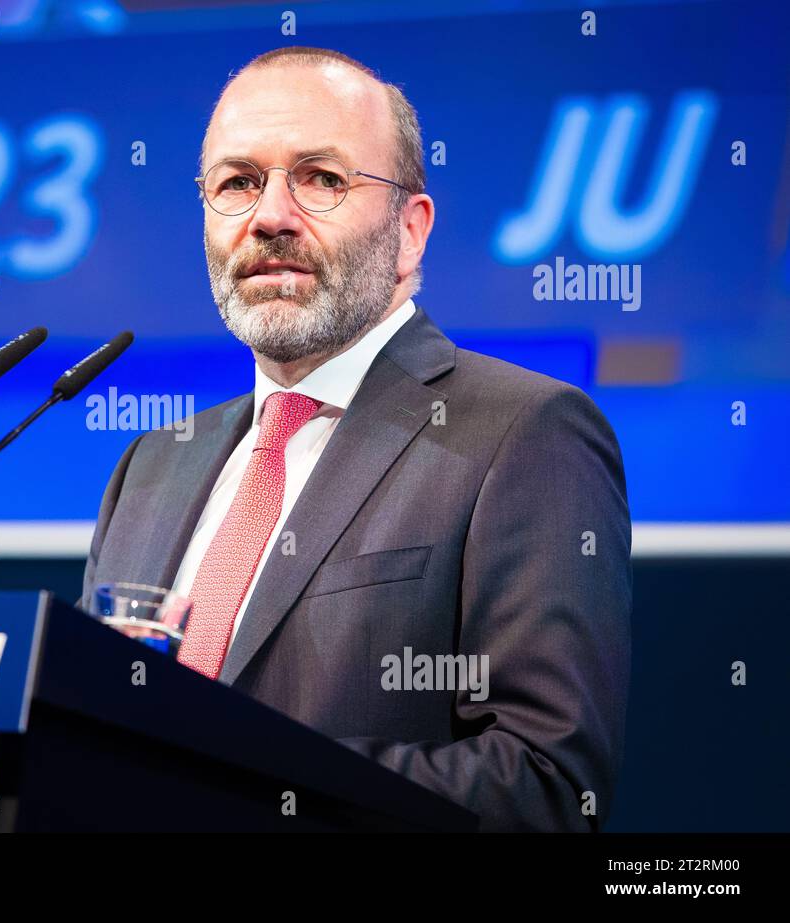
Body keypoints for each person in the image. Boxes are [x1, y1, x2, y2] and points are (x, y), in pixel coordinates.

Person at [81, 46, 631, 832]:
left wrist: (232, 780)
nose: (270, 217)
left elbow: (544, 788)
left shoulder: (524, 432)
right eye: (237, 183)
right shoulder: (152, 463)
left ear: (410, 230)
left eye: (321, 179)